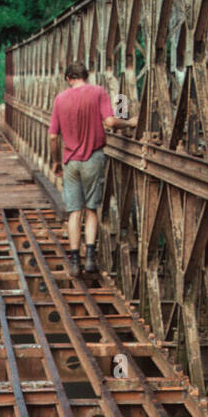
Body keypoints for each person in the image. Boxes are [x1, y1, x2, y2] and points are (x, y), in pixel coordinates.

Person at [48, 61, 134, 277]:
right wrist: (131, 123)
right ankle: (90, 260)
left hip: (70, 160)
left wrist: (56, 161)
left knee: (74, 212)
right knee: (91, 209)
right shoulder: (98, 92)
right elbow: (111, 122)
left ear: (68, 79)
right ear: (86, 76)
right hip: (93, 159)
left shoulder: (60, 99)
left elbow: (52, 136)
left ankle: (75, 261)